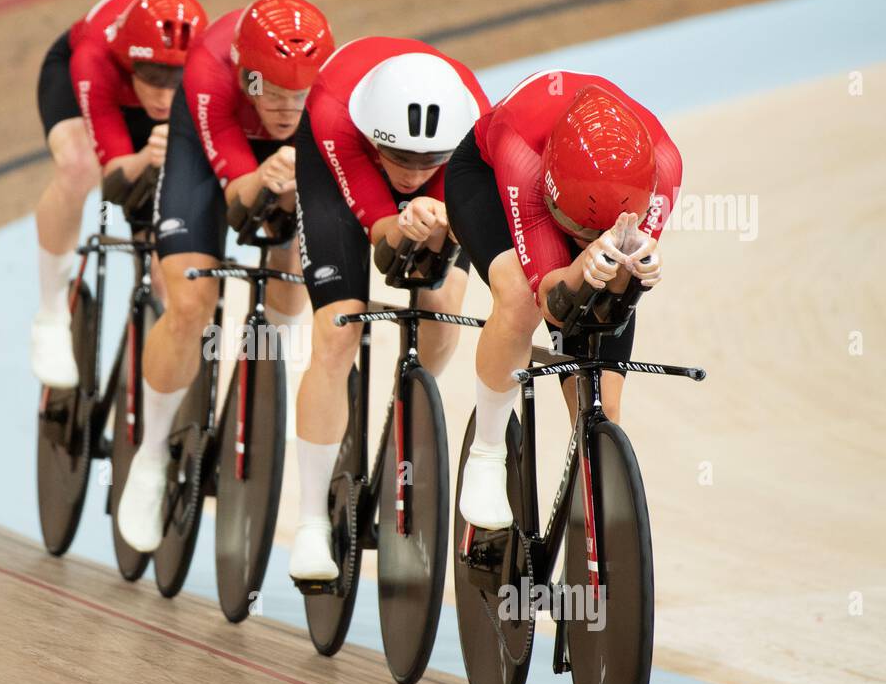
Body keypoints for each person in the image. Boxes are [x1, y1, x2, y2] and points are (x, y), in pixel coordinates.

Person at [116, 0, 335, 552]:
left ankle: (270, 369)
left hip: (280, 157)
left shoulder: (328, 91)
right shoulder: (212, 73)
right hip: (206, 145)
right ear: (248, 76)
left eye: (299, 95)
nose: (287, 108)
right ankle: (150, 452)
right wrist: (267, 176)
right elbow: (239, 196)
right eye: (275, 93)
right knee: (191, 302)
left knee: (292, 242)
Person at [288, 38, 490, 580]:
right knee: (337, 329)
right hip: (339, 172)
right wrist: (401, 223)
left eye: (427, 160)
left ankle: (409, 407)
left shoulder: (478, 127)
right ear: (377, 139)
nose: (411, 172)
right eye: (400, 158)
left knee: (443, 311)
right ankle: (309, 522)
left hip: (458, 172)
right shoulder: (336, 112)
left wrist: (443, 218)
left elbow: (472, 217)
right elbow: (381, 237)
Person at [445, 70, 683, 530]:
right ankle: (487, 452)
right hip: (492, 181)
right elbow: (554, 303)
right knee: (518, 296)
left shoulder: (665, 164)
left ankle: (589, 540)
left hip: (589, 200)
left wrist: (633, 269)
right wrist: (580, 266)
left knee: (603, 409)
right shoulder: (521, 157)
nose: (583, 240)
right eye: (578, 232)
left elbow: (612, 298)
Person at [31, 0, 208, 387]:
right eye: (153, 79)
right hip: (89, 91)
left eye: (174, 82)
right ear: (130, 63)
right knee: (78, 166)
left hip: (149, 114)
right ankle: (50, 316)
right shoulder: (96, 59)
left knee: (169, 276)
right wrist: (146, 158)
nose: (164, 95)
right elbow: (114, 184)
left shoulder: (208, 67)